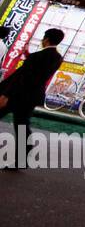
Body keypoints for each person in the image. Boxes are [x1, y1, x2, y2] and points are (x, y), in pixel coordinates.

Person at [0, 28, 64, 167]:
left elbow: (21, 77)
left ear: (46, 39)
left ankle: (24, 151)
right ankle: (22, 158)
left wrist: (5, 94)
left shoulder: (37, 56)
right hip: (33, 96)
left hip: (17, 94)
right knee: (22, 125)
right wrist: (28, 54)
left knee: (19, 123)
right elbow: (38, 71)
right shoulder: (57, 58)